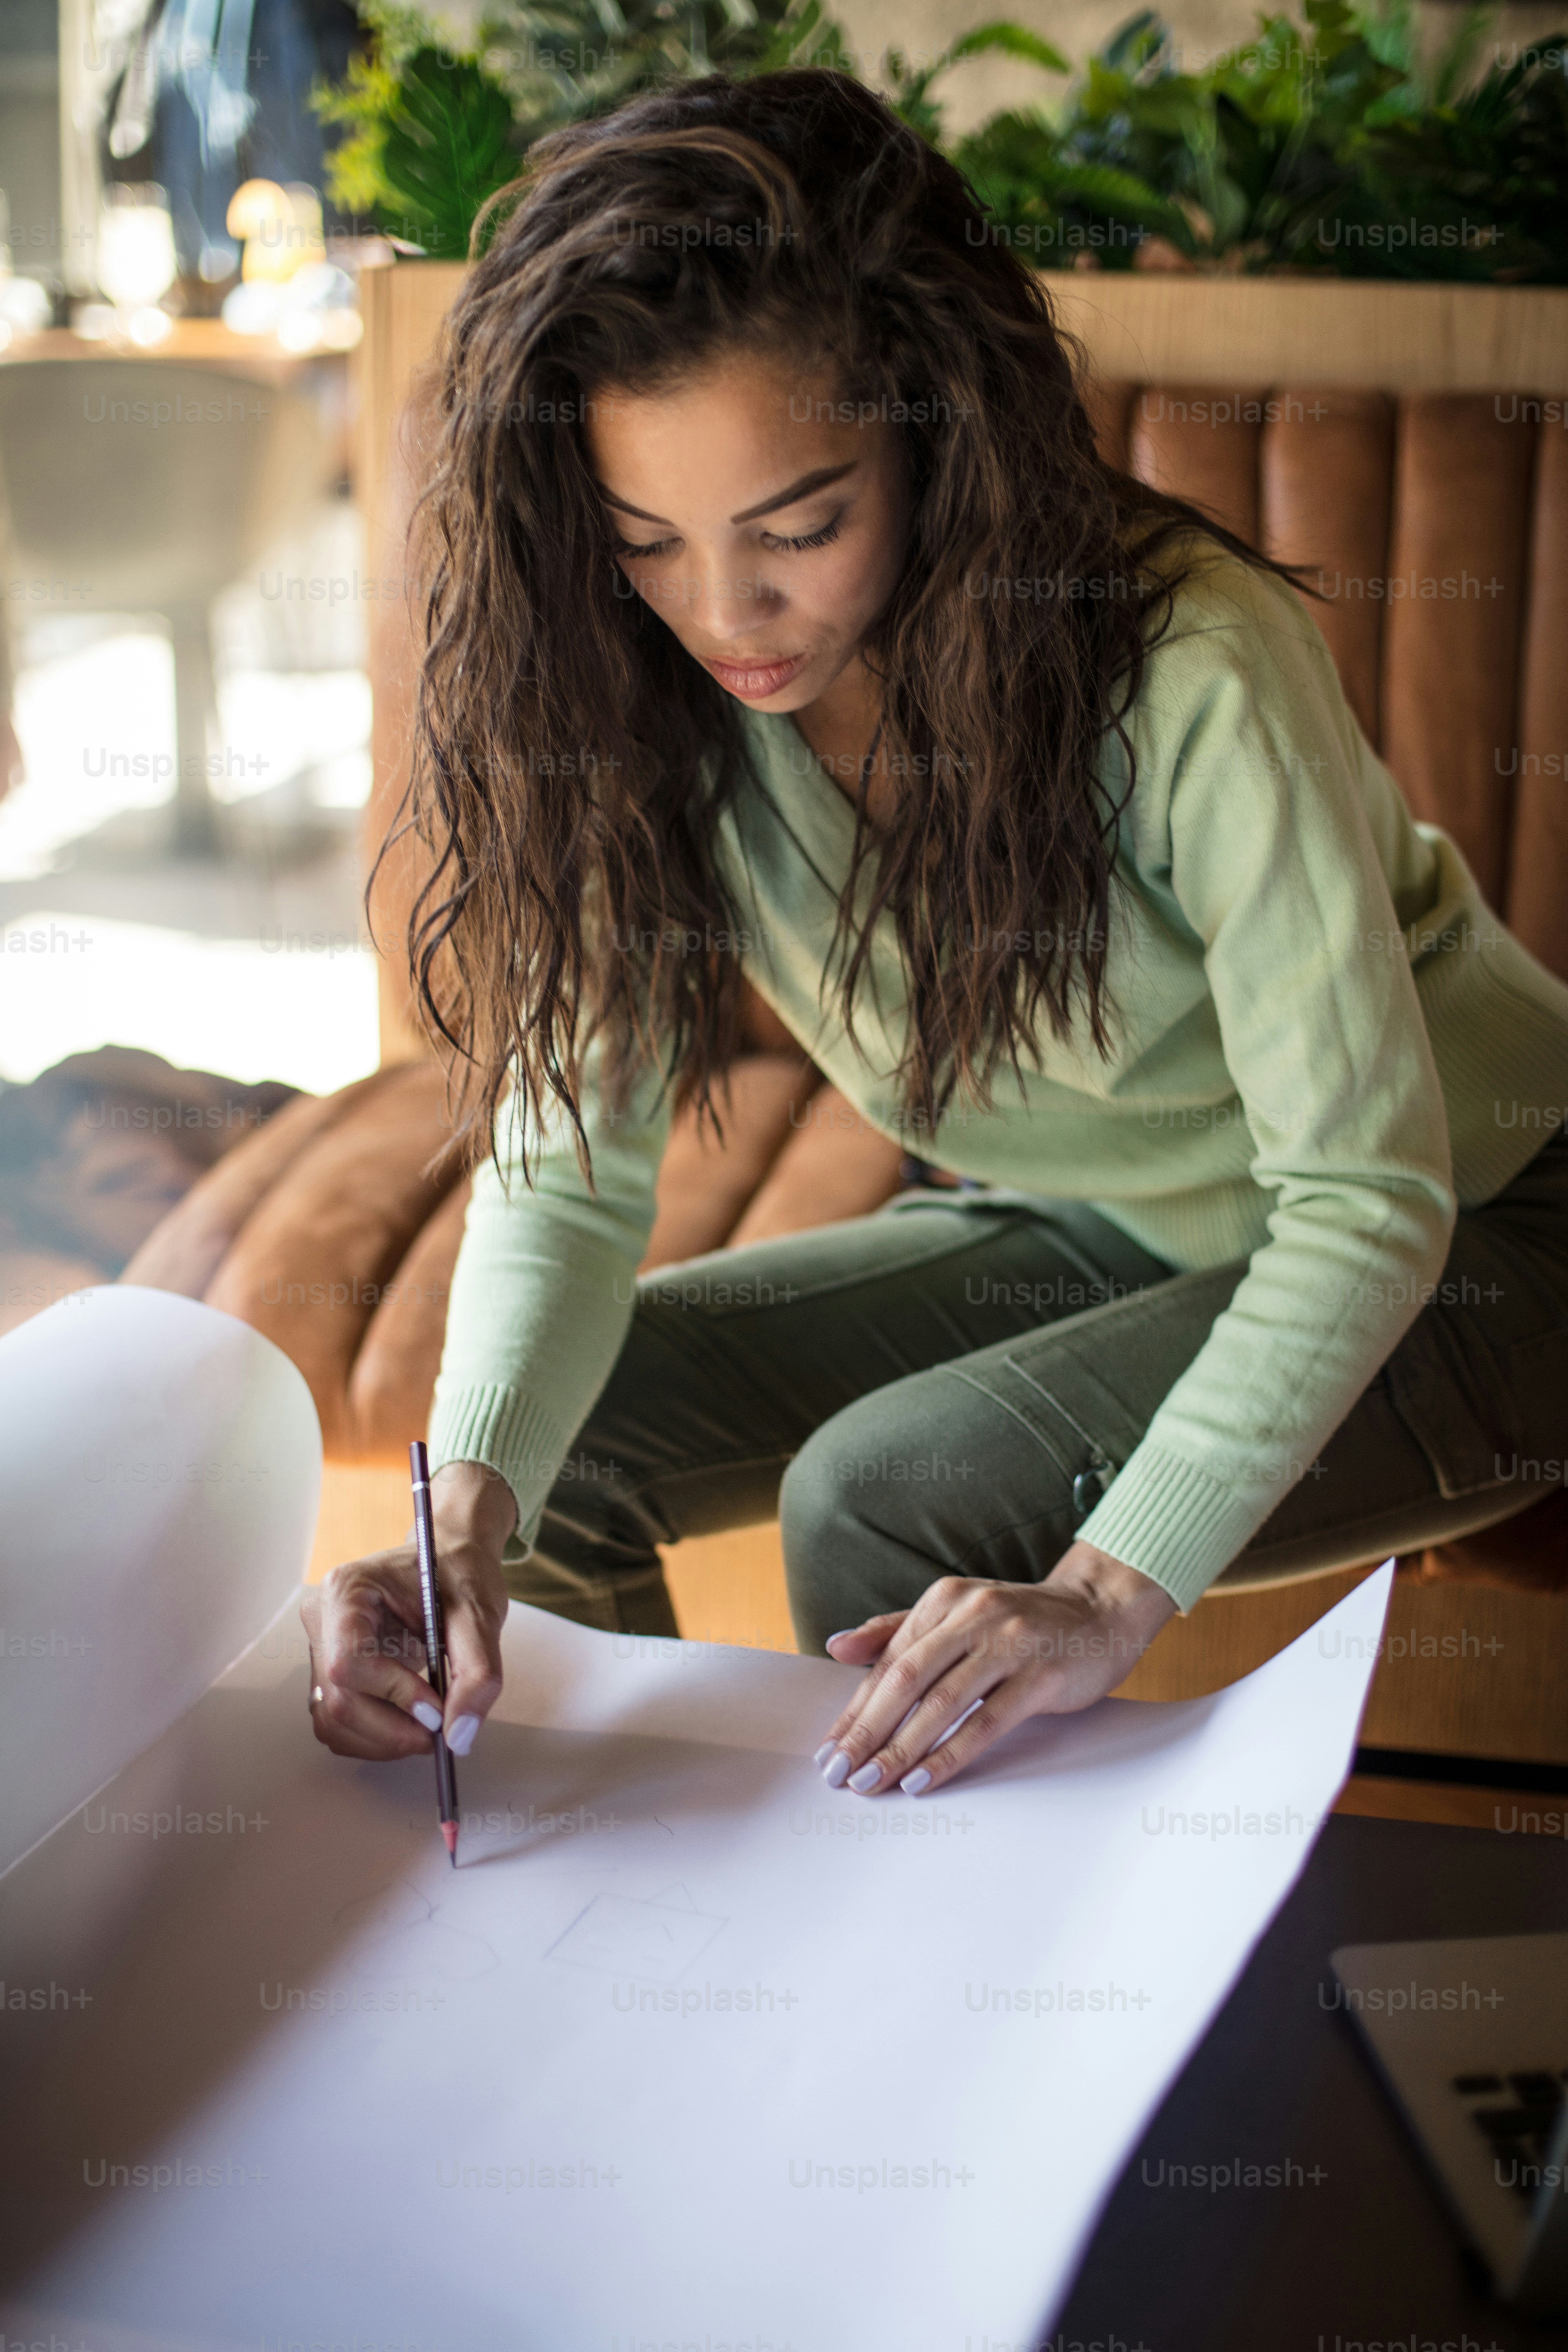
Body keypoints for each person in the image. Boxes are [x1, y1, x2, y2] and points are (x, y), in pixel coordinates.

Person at [303, 68, 1568, 1802]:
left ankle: (968, 2016)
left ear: (936, 432)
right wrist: (452, 1512)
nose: (724, 616)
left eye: (798, 529)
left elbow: (1367, 1196)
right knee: (542, 1453)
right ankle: (609, 1917)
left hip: (1501, 1223)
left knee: (882, 1490)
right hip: (1131, 1223)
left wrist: (1107, 1594)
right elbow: (572, 1173)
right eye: (647, 542)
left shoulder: (1194, 666)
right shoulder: (641, 694)